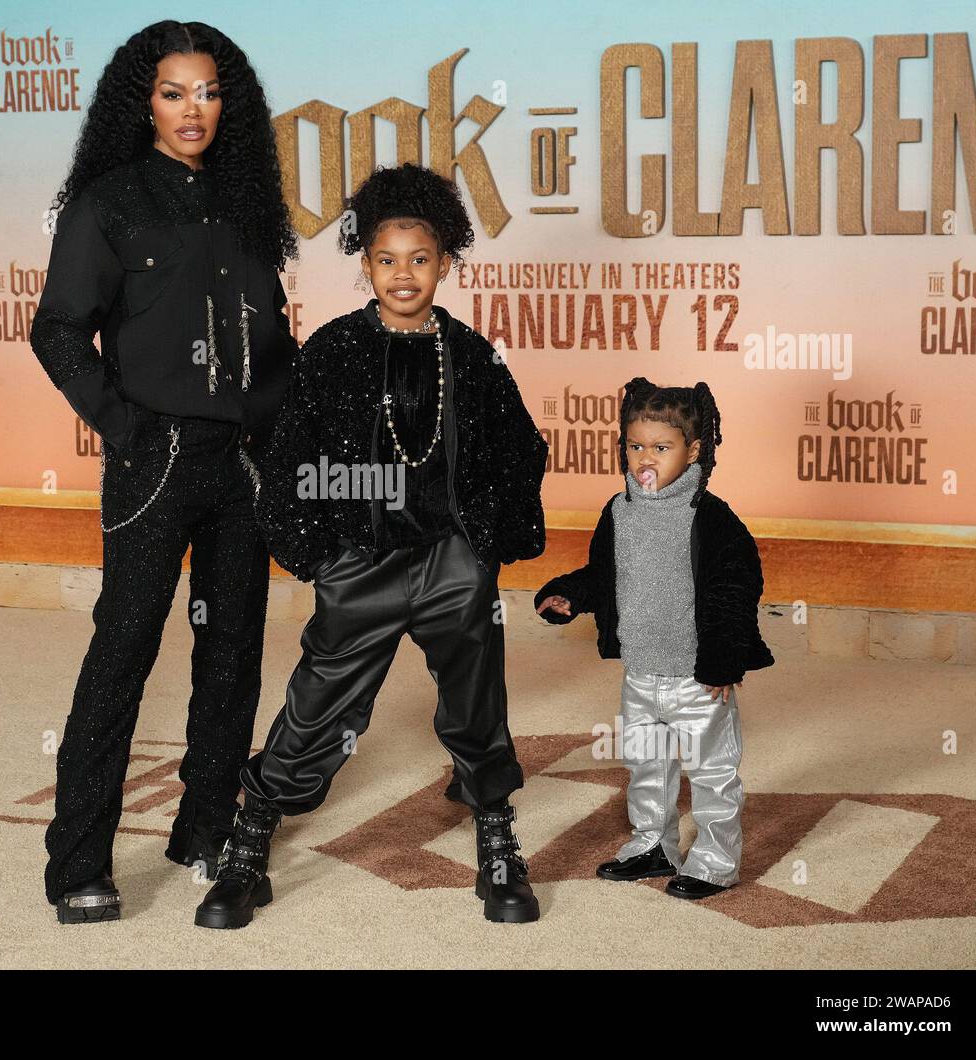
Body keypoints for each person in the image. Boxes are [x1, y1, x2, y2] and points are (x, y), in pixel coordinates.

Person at [192, 163, 551, 929]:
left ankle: (494, 831)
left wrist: (484, 542)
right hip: (361, 562)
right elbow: (288, 461)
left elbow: (521, 447)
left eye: (419, 259)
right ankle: (251, 840)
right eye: (387, 260)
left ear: (446, 262)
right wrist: (322, 556)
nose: (403, 275)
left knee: (476, 694)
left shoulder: (473, 356)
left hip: (453, 563)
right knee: (320, 698)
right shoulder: (331, 352)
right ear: (365, 265)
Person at [28, 20, 298, 923]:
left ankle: (207, 826)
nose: (194, 111)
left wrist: (280, 424)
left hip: (244, 464)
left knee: (233, 652)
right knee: (125, 651)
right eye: (174, 93)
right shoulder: (110, 202)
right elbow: (58, 328)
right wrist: (126, 426)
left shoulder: (248, 201)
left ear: (232, 103)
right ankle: (78, 864)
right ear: (142, 101)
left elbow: (274, 339)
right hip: (157, 461)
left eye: (210, 93)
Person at [534, 378, 774, 899]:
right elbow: (605, 575)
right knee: (647, 765)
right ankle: (652, 845)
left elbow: (735, 588)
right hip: (641, 672)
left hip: (698, 679)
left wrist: (722, 659)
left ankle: (714, 860)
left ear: (694, 450)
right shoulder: (619, 512)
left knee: (712, 773)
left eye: (661, 448)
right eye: (636, 445)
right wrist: (570, 596)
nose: (646, 458)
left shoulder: (712, 520)